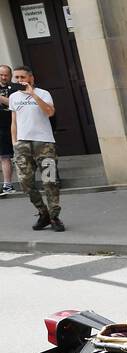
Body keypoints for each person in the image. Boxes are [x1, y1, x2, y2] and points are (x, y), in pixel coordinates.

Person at [8, 66, 62, 231]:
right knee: (25, 182)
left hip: (44, 143)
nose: (19, 81)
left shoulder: (43, 93)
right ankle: (42, 212)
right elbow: (14, 121)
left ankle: (54, 217)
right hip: (22, 144)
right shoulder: (13, 97)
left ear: (31, 77)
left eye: (22, 77)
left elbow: (49, 112)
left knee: (50, 180)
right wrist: (14, 143)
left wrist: (33, 94)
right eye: (16, 78)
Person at [0, 64, 17, 195]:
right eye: (1, 74)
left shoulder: (15, 88)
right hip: (1, 128)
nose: (4, 77)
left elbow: (15, 104)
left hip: (15, 125)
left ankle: (28, 183)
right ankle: (7, 185)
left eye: (6, 75)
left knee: (22, 155)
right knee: (4, 156)